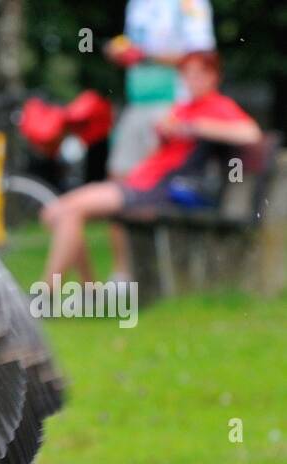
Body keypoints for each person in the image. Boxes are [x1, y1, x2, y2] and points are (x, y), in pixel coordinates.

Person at [39, 51, 260, 287]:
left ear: (214, 76)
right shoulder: (183, 108)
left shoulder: (217, 106)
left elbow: (251, 133)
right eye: (187, 74)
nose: (192, 80)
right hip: (144, 182)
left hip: (163, 189)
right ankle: (88, 290)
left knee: (67, 212)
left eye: (199, 74)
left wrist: (195, 127)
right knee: (54, 213)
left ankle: (50, 294)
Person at [105, 0, 216, 278]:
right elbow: (133, 48)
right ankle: (123, 273)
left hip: (173, 105)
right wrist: (122, 53)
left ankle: (152, 274)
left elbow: (200, 58)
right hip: (137, 103)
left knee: (152, 187)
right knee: (118, 182)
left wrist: (145, 55)